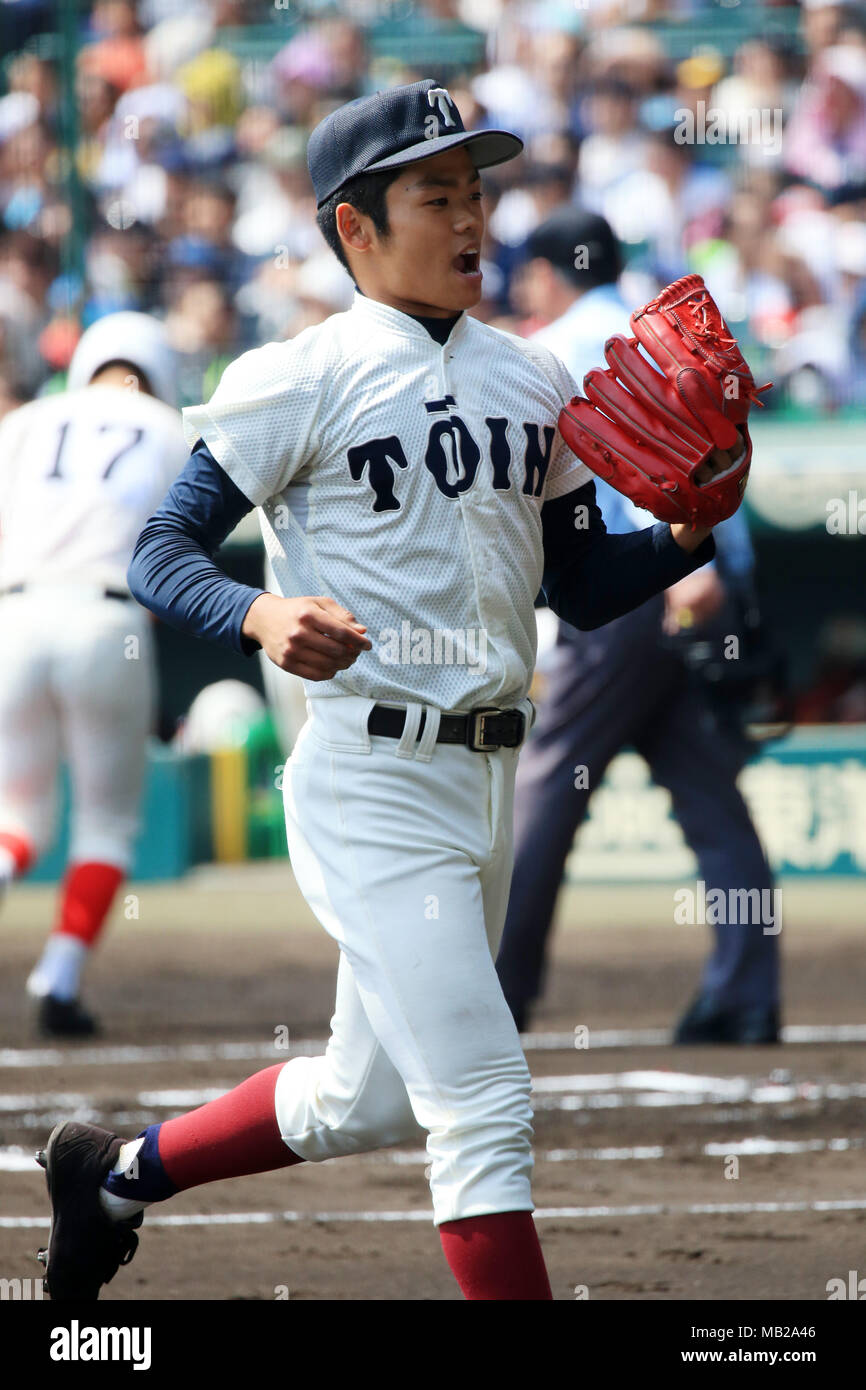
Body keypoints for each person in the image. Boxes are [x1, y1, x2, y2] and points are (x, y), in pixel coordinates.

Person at [38, 79, 739, 1303]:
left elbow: (575, 586)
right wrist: (255, 609)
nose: (471, 218)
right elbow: (161, 552)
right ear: (353, 227)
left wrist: (678, 539)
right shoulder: (295, 374)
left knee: (356, 1101)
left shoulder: (532, 378)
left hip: (486, 778)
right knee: (481, 1096)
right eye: (436, 195)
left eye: (477, 191)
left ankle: (114, 1178)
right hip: (369, 772)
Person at [495, 206, 780, 1044]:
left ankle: (497, 991)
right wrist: (724, 567)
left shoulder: (561, 348)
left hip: (630, 591)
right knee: (709, 797)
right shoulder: (650, 330)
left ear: (548, 273)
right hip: (689, 580)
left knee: (546, 787)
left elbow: (611, 475)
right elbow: (722, 460)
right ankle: (746, 994)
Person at [0, 312, 188, 1036]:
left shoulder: (28, 421)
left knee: (18, 820)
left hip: (16, 616)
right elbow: (181, 556)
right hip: (111, 621)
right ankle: (59, 976)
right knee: (106, 826)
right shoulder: (171, 430)